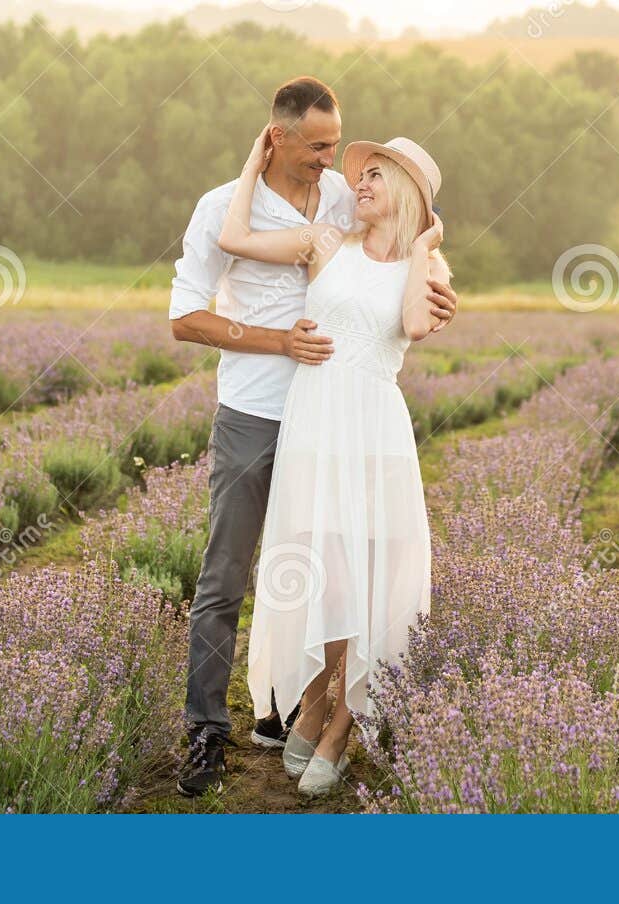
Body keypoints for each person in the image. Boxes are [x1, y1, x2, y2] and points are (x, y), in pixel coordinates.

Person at [167, 76, 458, 797]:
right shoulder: (221, 210)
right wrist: (276, 341)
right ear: (279, 137)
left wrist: (437, 280)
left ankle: (303, 710)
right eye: (320, 147)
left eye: (341, 148)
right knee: (227, 577)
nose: (335, 162)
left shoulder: (339, 199)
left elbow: (408, 262)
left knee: (324, 567)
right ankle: (207, 730)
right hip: (253, 410)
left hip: (329, 419)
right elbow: (183, 319)